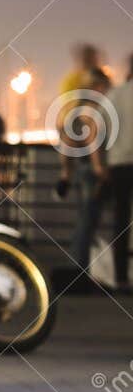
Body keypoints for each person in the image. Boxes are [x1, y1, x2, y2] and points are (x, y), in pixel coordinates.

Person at [58, 63, 112, 273]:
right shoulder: (92, 109)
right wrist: (99, 167)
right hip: (92, 171)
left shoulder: (74, 109)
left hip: (79, 171)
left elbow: (66, 143)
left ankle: (78, 266)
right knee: (88, 221)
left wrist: (66, 173)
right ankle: (80, 268)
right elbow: (92, 139)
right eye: (105, 86)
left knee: (83, 219)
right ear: (98, 86)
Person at [105, 54, 133, 293]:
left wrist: (99, 164)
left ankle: (121, 277)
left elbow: (97, 129)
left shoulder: (115, 95)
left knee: (120, 220)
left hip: (119, 165)